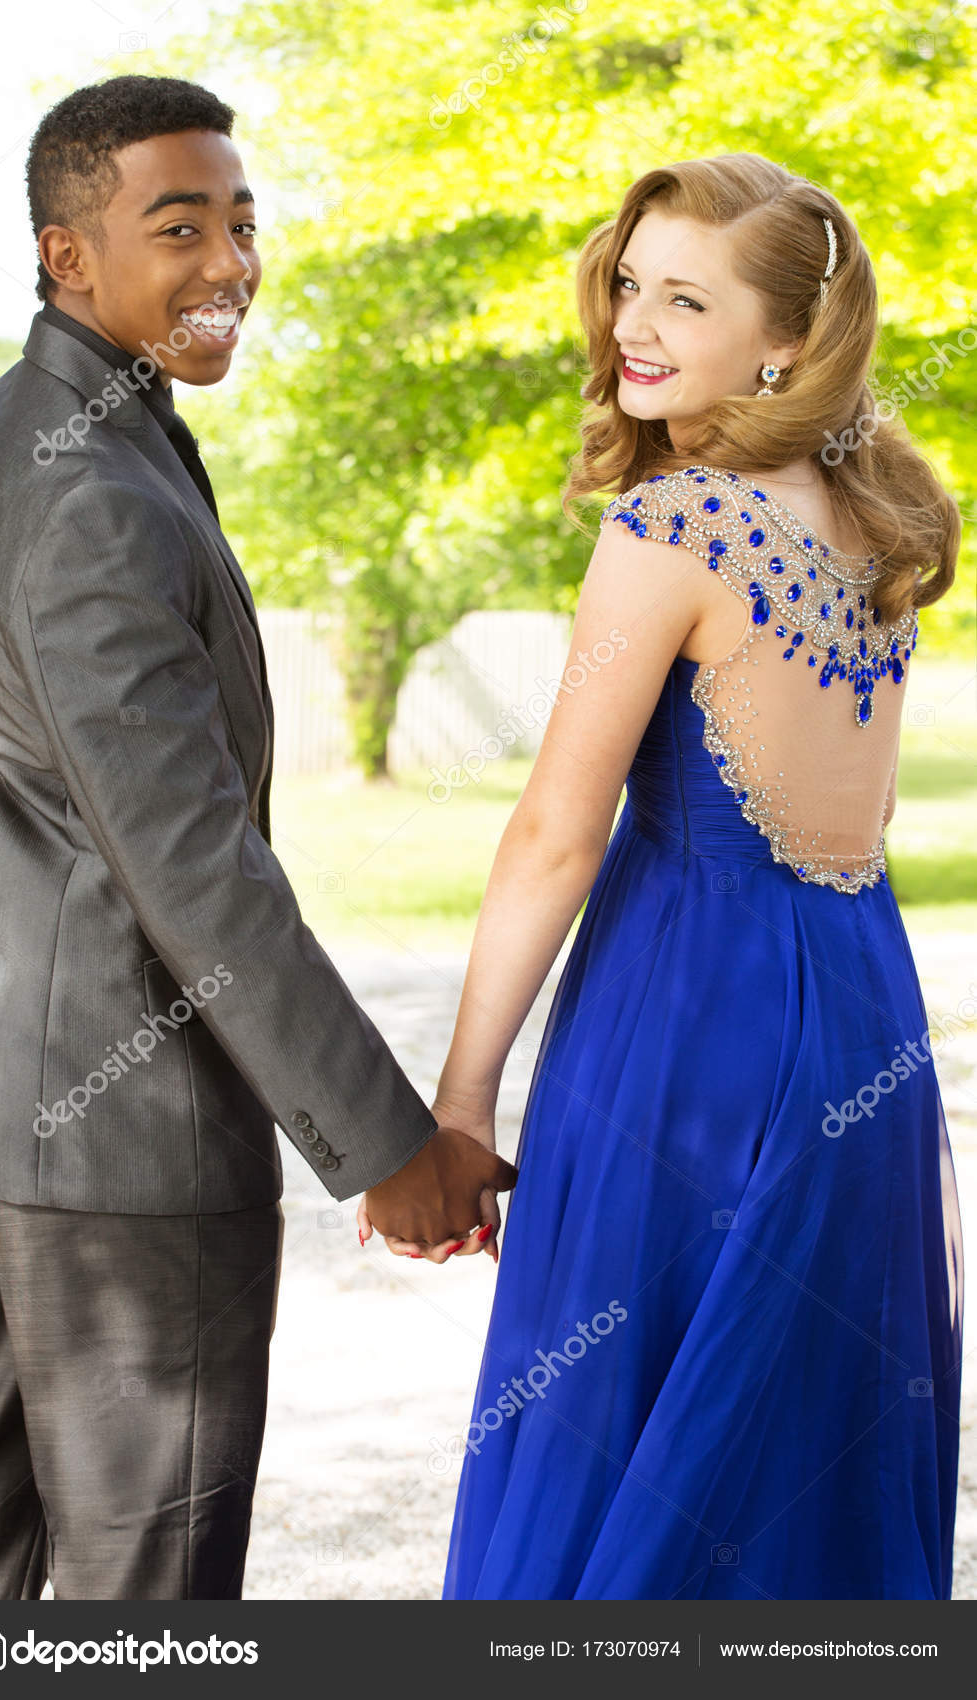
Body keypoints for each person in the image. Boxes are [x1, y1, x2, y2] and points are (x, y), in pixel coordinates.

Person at [0, 73, 516, 1601]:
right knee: (145, 1586)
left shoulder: (18, 429)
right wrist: (387, 1147)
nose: (231, 262)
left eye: (242, 223)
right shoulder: (92, 487)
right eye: (178, 227)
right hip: (119, 1145)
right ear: (70, 258)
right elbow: (190, 866)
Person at [402, 154, 963, 1600]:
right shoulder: (879, 515)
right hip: (858, 998)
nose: (633, 326)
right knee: (804, 1409)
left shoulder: (670, 529)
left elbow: (554, 834)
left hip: (684, 1011)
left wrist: (461, 1108)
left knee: (616, 1404)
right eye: (629, 284)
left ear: (786, 341)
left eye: (685, 299)